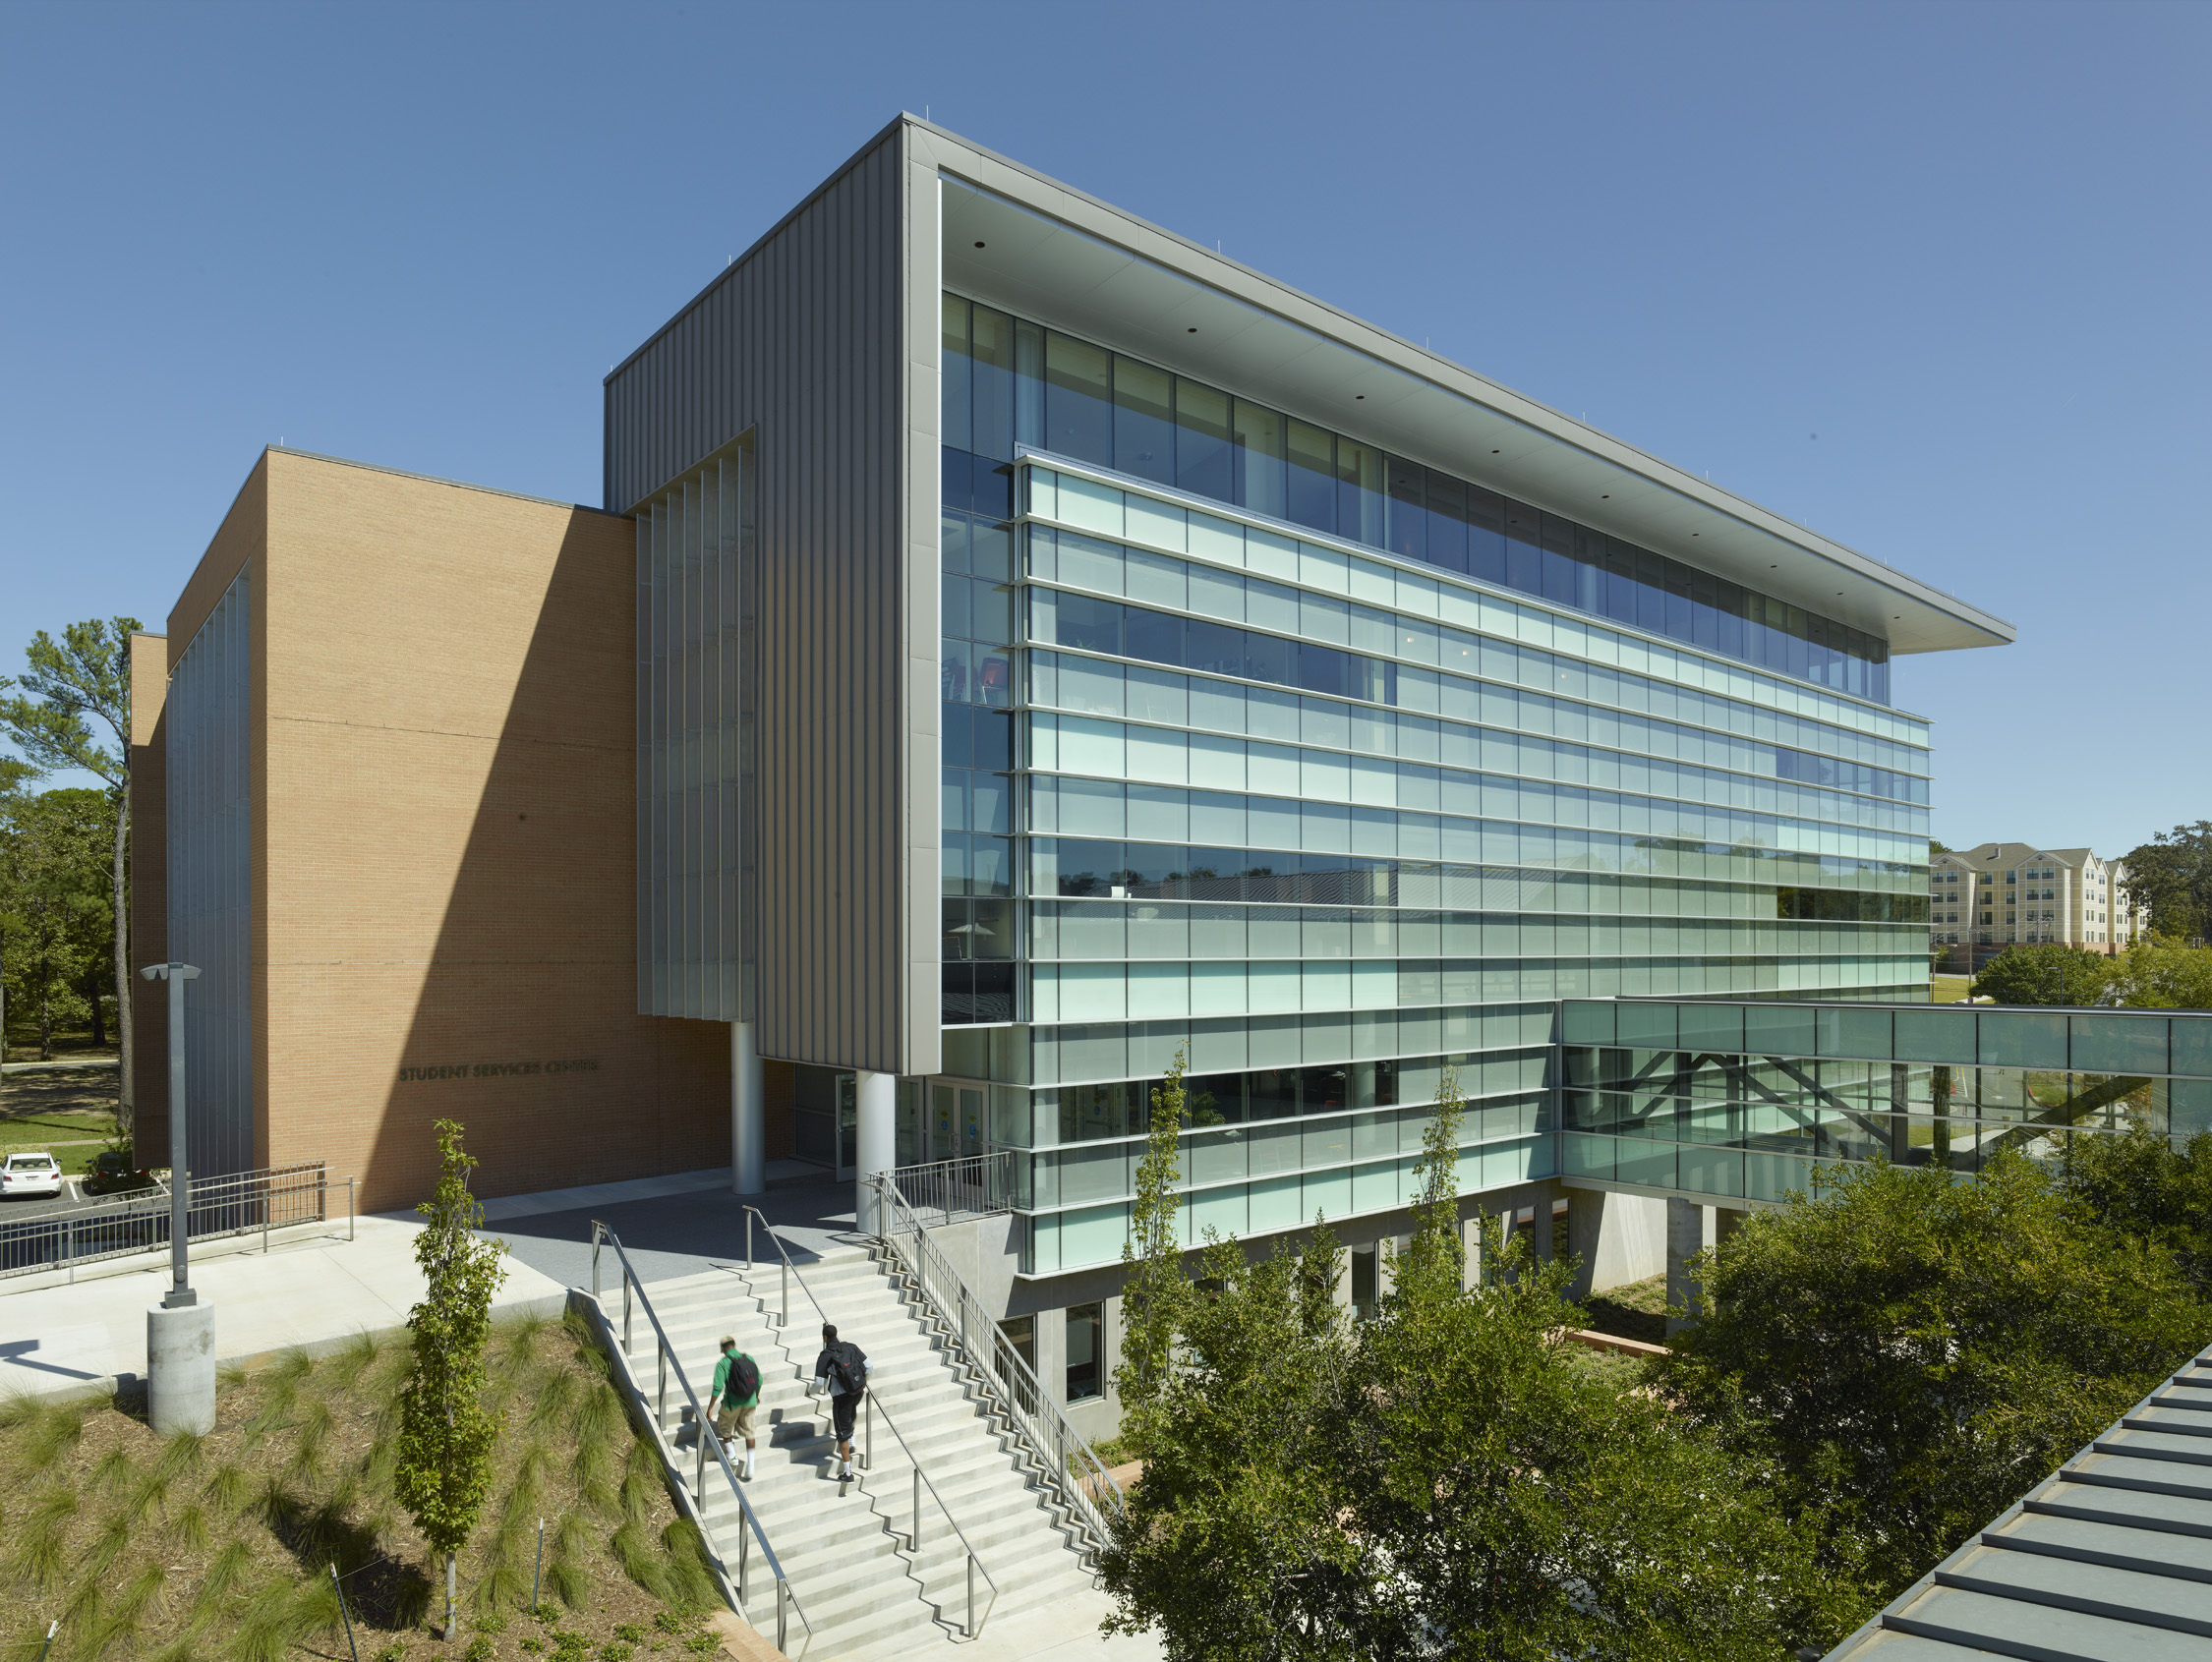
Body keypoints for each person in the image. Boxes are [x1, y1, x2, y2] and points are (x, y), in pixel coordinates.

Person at [811, 1321, 870, 1482]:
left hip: (840, 1397)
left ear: (825, 1337)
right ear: (836, 1334)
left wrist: (811, 1391)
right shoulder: (850, 1346)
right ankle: (852, 1441)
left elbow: (820, 1383)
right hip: (857, 1391)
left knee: (841, 1434)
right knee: (851, 1412)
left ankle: (848, 1474)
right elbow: (869, 1367)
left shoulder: (825, 1355)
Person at [706, 1335, 761, 1481]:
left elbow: (718, 1387)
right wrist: (756, 1396)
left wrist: (710, 1407)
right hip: (750, 1401)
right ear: (734, 1345)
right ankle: (751, 1464)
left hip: (732, 1403)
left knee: (725, 1427)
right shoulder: (748, 1358)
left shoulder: (723, 1363)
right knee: (750, 1432)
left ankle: (732, 1456)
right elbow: (759, 1380)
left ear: (723, 1348)